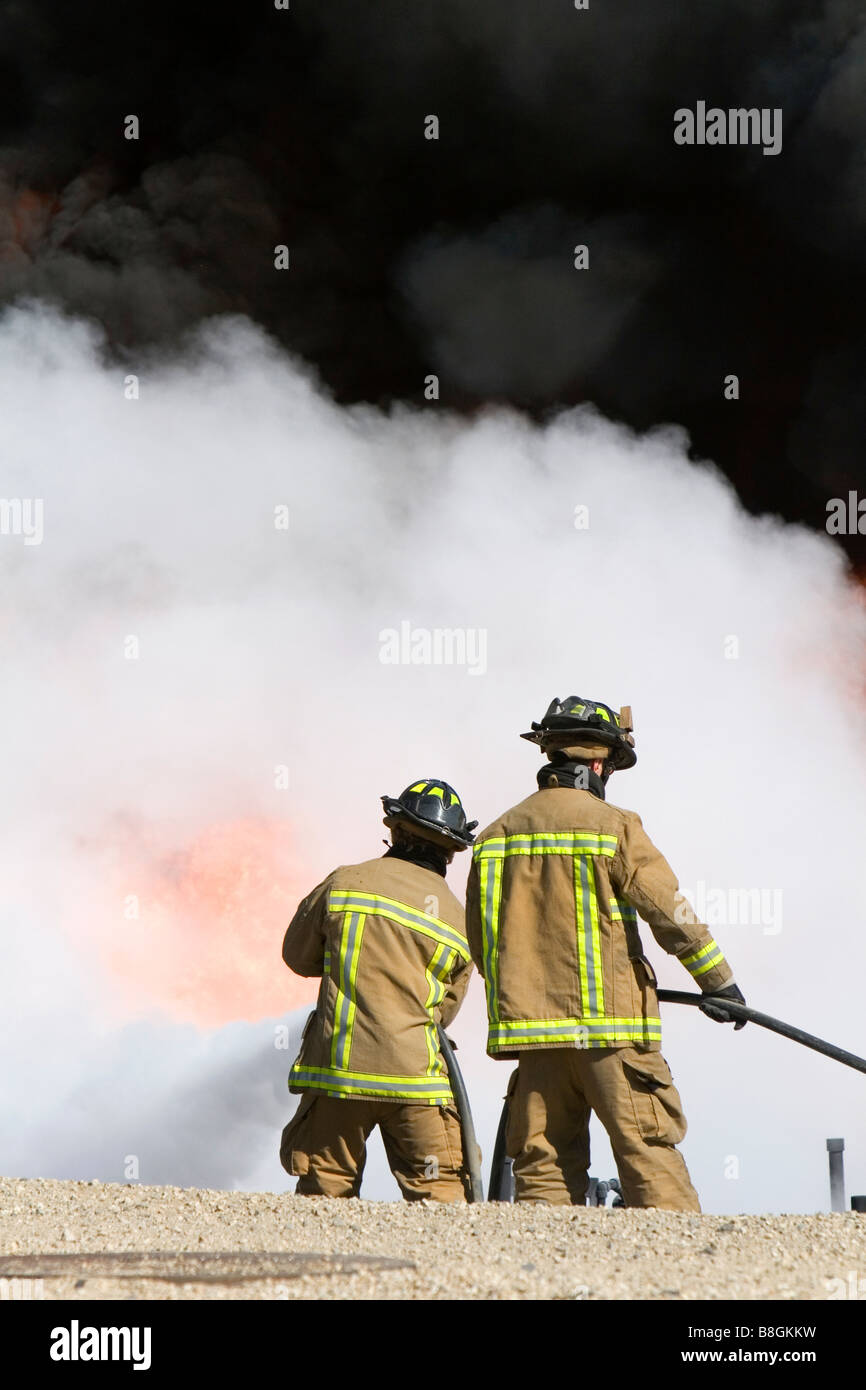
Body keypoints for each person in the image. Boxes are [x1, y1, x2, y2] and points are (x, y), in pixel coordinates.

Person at [465, 697, 745, 1211]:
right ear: (598, 764)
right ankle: (683, 1277)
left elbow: (482, 942)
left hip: (536, 1041)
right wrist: (719, 984)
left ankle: (539, 1283)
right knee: (648, 1155)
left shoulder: (494, 837)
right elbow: (669, 911)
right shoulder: (613, 825)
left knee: (543, 1168)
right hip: (611, 1034)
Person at [280, 779, 477, 1201]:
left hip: (338, 1076)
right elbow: (444, 1012)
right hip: (417, 1086)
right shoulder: (460, 922)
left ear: (395, 829)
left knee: (323, 1197)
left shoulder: (344, 883)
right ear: (451, 851)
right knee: (443, 1200)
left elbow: (297, 958)